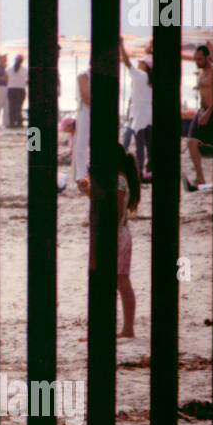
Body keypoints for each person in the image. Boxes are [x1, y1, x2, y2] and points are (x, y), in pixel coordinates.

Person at [76, 142, 140, 338]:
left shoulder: (118, 179)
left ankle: (128, 328)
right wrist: (89, 192)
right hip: (117, 232)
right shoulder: (117, 178)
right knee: (118, 280)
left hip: (115, 234)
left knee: (121, 280)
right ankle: (123, 328)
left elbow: (116, 209)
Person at [119, 37, 153, 180]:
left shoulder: (140, 76)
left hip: (139, 115)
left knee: (140, 146)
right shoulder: (151, 79)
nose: (139, 63)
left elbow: (126, 62)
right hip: (149, 114)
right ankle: (149, 171)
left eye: (141, 62)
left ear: (145, 66)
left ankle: (139, 173)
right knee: (150, 146)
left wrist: (121, 45)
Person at [185, 45, 213, 186]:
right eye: (195, 59)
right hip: (201, 110)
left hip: (212, 111)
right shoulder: (201, 72)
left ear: (208, 57)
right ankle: (200, 177)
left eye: (200, 59)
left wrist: (208, 112)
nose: (197, 61)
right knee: (191, 142)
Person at [73, 64, 92, 184]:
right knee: (81, 143)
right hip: (85, 110)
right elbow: (86, 98)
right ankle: (81, 174)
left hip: (96, 110)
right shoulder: (83, 75)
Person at [6, 54, 28, 128]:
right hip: (20, 89)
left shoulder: (8, 69)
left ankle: (12, 123)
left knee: (12, 106)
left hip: (12, 89)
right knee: (19, 107)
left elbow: (6, 79)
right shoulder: (25, 69)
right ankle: (19, 122)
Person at [0, 54, 9, 128]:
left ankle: (6, 123)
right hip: (0, 87)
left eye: (5, 58)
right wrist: (4, 78)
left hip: (7, 87)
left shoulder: (6, 67)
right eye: (3, 58)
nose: (5, 59)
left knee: (7, 105)